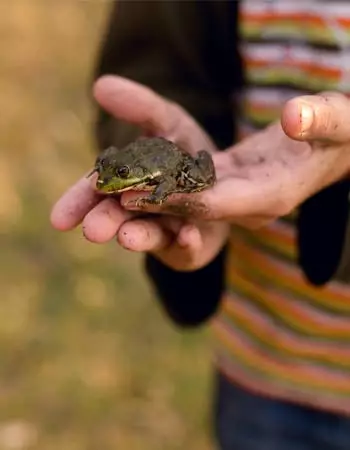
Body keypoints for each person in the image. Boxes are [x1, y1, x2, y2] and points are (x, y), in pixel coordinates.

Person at [51, 1, 350, 449]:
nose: (108, 181)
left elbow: (173, 176)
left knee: (195, 173)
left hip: (312, 342)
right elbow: (158, 73)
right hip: (260, 354)